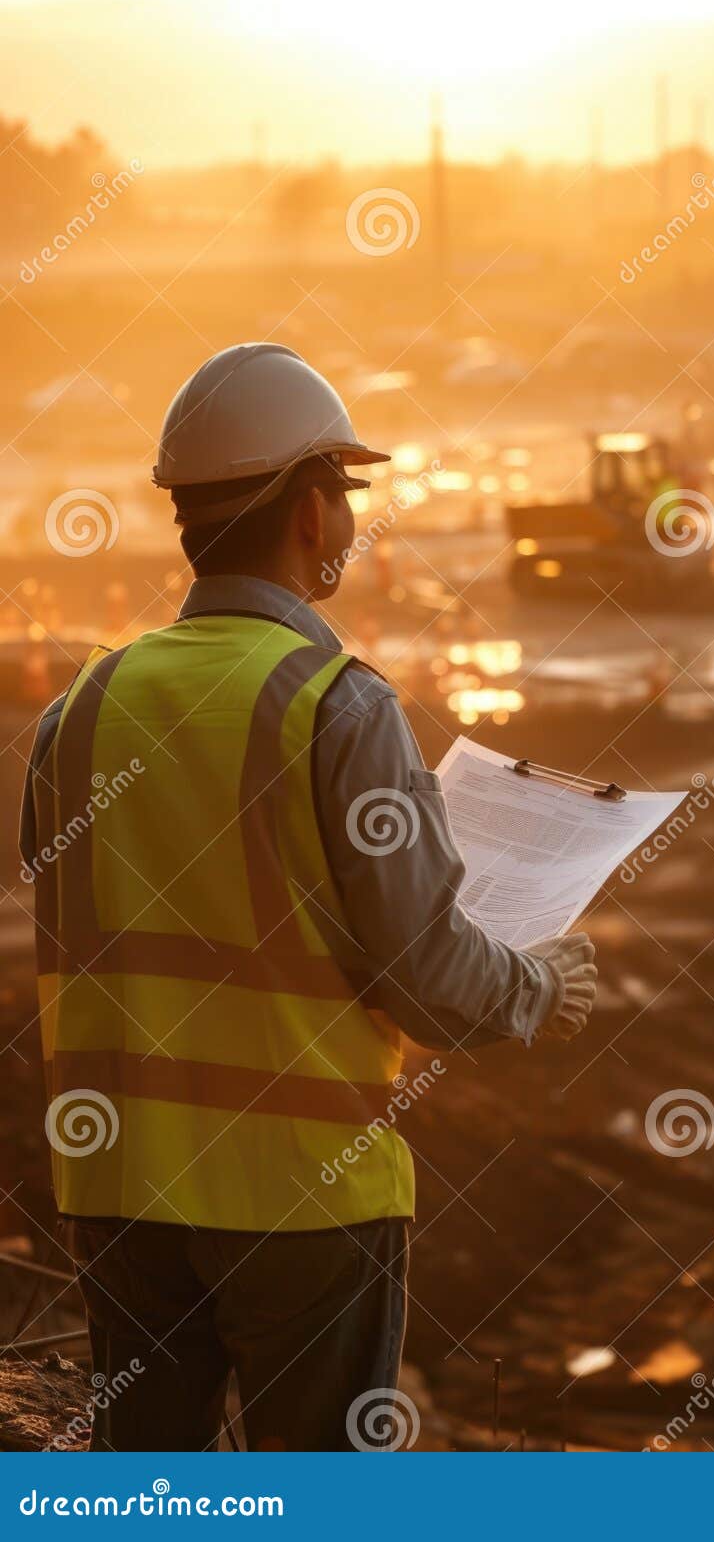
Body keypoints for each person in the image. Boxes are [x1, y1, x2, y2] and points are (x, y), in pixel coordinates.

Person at [20, 343, 597, 1451]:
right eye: (342, 489)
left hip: (119, 1192)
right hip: (302, 1198)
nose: (346, 517)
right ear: (309, 510)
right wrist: (537, 986)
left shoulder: (79, 711)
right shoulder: (337, 706)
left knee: (148, 1488)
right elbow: (425, 975)